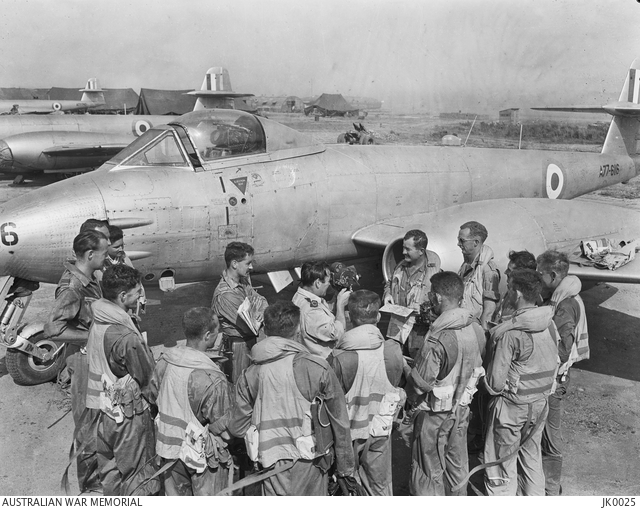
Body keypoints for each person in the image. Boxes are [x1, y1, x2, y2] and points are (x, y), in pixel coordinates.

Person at [228, 300, 356, 496]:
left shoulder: (250, 374)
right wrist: (345, 469)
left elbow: (237, 427)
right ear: (297, 332)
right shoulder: (316, 368)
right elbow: (340, 422)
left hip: (269, 466)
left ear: (266, 331)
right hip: (309, 463)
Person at [406, 272, 485, 496]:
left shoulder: (437, 338)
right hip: (461, 410)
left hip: (435, 416)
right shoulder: (476, 328)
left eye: (432, 295)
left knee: (427, 469)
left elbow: (420, 384)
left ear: (439, 298)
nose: (429, 299)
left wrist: (406, 371)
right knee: (457, 467)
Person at [483, 269, 560, 496]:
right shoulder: (550, 324)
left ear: (516, 293)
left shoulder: (511, 333)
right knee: (531, 458)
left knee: (500, 463)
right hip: (540, 405)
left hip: (512, 408)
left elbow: (496, 383)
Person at [85, 264, 159, 495]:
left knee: (110, 473)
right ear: (122, 296)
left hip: (101, 413)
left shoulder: (98, 320)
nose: (140, 296)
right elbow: (148, 380)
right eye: (137, 292)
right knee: (139, 476)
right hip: (128, 420)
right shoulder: (126, 337)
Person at [44, 230, 108, 493]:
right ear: (91, 255)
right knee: (86, 425)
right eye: (104, 252)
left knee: (97, 419)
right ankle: (90, 488)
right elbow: (52, 329)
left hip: (89, 357)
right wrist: (91, 336)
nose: (107, 257)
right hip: (81, 362)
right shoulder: (74, 287)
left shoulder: (89, 279)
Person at [148, 307, 233, 495]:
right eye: (217, 330)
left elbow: (153, 398)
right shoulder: (211, 378)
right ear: (208, 335)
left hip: (168, 450)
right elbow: (225, 432)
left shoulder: (164, 361)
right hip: (200, 458)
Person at [329, 290, 405, 495]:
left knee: (348, 490)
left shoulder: (340, 358)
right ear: (378, 317)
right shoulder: (392, 351)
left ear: (349, 317)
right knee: (380, 489)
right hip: (380, 431)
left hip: (349, 437)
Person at [537, 250, 589, 496]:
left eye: (541, 275)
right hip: (556, 376)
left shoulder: (565, 305)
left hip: (555, 380)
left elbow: (563, 350)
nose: (539, 279)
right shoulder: (564, 295)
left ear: (554, 275)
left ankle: (551, 489)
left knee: (550, 434)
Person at [211, 241, 268, 384]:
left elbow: (261, 299)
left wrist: (261, 309)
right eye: (248, 263)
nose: (251, 267)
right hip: (237, 349)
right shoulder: (225, 294)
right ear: (235, 264)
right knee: (239, 388)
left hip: (247, 344)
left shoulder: (242, 281)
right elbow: (250, 326)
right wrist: (261, 314)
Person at [383, 229, 441, 358]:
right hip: (397, 328)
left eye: (408, 249)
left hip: (419, 332)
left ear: (421, 251)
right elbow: (389, 282)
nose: (403, 252)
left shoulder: (435, 273)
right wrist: (387, 294)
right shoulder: (400, 266)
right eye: (403, 248)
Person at [292, 261, 350, 359]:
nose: (329, 285)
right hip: (321, 364)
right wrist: (340, 306)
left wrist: (336, 298)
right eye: (328, 282)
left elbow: (323, 314)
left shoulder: (300, 297)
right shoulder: (311, 310)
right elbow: (336, 334)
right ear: (318, 283)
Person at [456, 221, 500, 331]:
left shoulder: (488, 269)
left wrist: (482, 334)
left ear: (476, 242)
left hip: (475, 330)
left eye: (462, 240)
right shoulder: (465, 267)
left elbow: (489, 310)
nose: (458, 244)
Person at [104, 224, 146, 316]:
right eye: (116, 247)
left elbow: (135, 278)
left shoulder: (124, 258)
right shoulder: (101, 265)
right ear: (106, 246)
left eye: (122, 245)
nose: (121, 249)